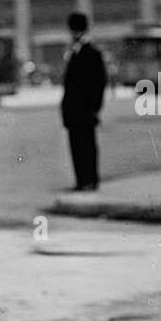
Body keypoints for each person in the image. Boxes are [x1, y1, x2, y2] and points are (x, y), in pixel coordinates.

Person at [60, 11, 107, 191]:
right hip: (74, 110)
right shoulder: (75, 52)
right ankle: (82, 180)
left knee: (86, 146)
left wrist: (95, 108)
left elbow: (99, 83)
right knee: (78, 147)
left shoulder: (91, 53)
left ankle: (89, 180)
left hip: (85, 110)